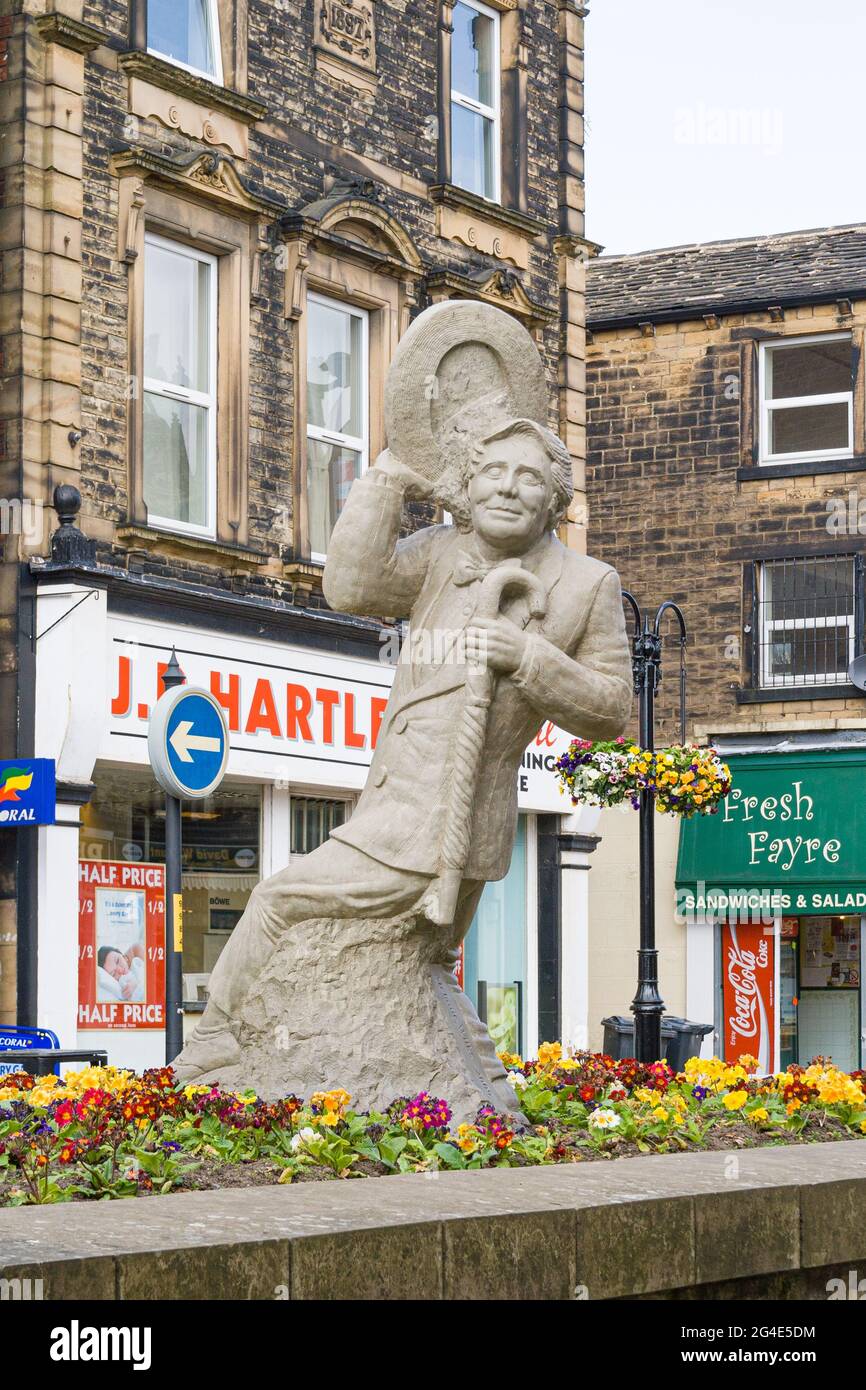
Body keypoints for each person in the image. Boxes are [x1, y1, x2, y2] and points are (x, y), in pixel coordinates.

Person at [174, 417, 633, 1080]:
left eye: (529, 478)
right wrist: (387, 481)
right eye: (492, 473)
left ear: (556, 501)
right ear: (469, 488)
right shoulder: (440, 552)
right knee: (419, 964)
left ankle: (219, 1041)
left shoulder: (587, 584)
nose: (507, 489)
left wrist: (528, 657)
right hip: (393, 800)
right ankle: (457, 1089)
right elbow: (353, 587)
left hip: (447, 818)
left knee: (280, 900)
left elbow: (612, 709)